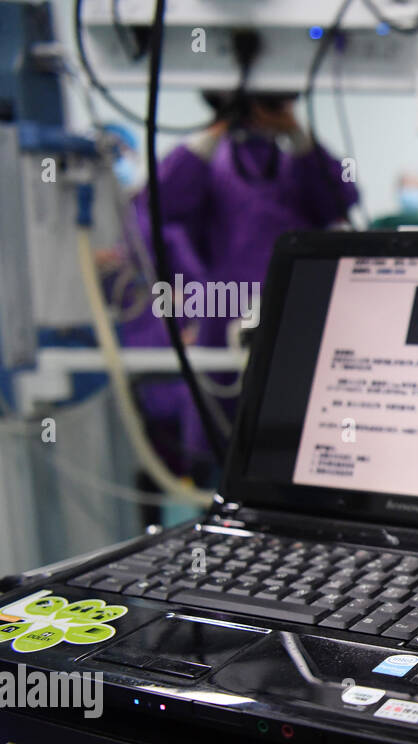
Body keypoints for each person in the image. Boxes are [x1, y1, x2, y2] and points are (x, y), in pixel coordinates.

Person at [120, 91, 359, 481]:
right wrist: (214, 131)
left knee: (305, 448)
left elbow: (341, 197)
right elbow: (160, 200)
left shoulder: (299, 166)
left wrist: (297, 132)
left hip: (299, 320)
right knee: (226, 451)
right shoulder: (211, 167)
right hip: (224, 323)